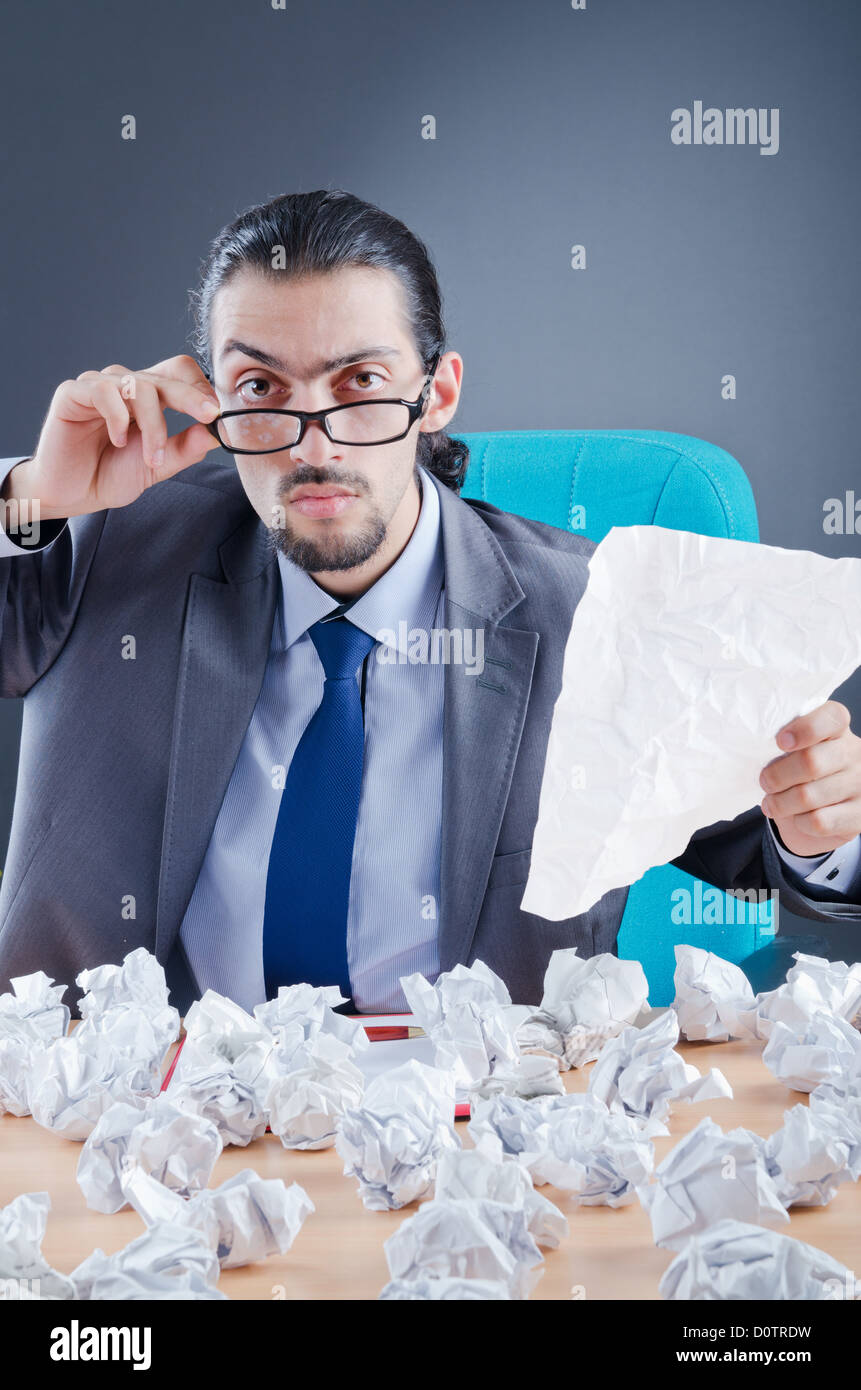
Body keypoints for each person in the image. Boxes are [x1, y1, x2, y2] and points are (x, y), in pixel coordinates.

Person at [1, 188, 860, 1018]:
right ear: (213, 401)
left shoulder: (596, 618)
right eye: (261, 389)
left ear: (436, 394)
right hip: (125, 1113)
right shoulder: (100, 544)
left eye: (359, 382)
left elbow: (775, 857)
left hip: (465, 1129)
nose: (315, 444)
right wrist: (32, 499)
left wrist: (821, 827)